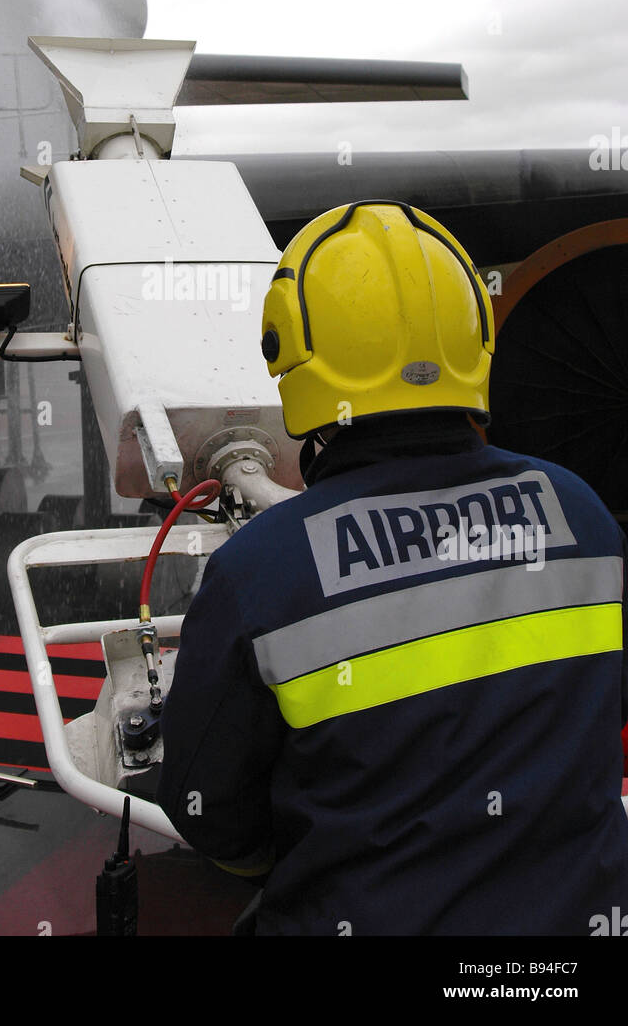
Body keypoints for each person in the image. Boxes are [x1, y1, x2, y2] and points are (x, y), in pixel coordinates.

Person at [156, 199, 628, 936]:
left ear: (288, 349)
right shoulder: (583, 515)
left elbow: (208, 815)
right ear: (475, 336)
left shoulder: (264, 570)